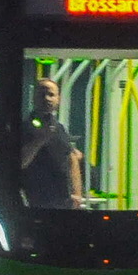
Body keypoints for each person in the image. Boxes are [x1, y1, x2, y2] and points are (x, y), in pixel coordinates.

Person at [20, 76, 83, 208]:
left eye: (51, 95)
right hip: (36, 200)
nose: (47, 98)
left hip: (63, 200)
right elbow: (20, 162)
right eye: (42, 94)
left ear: (58, 99)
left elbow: (71, 158)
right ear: (34, 98)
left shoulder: (59, 128)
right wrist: (40, 139)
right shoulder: (24, 127)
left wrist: (77, 194)